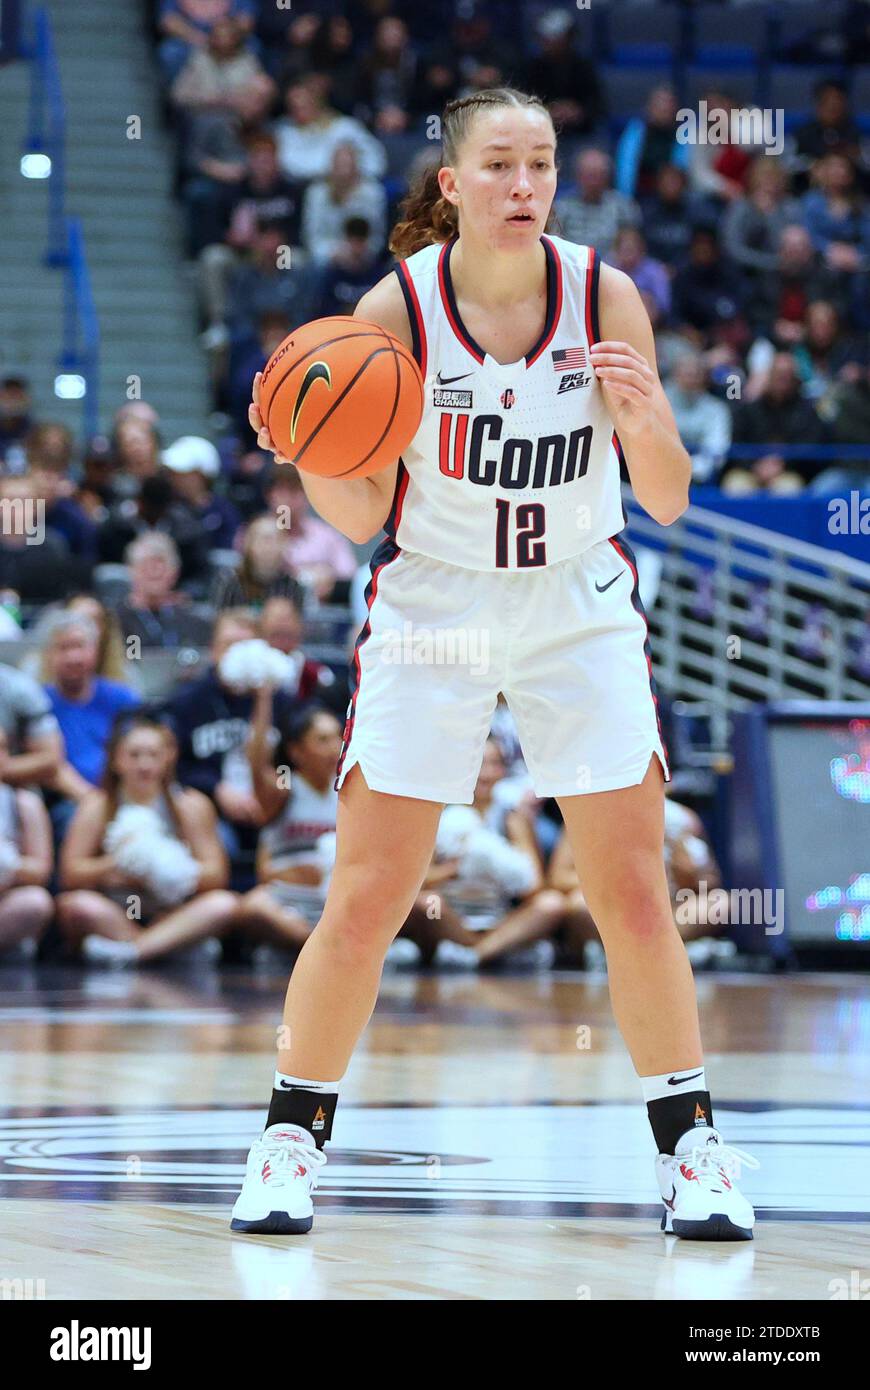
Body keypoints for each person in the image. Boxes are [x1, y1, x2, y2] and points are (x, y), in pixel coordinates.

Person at [232, 86, 757, 1243]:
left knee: (629, 890)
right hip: (437, 602)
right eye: (503, 166)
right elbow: (363, 510)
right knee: (368, 893)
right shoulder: (397, 307)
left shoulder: (603, 294)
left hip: (578, 600)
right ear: (453, 186)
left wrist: (648, 413)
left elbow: (663, 496)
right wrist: (307, 450)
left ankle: (694, 1151)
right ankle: (286, 1142)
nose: (526, 186)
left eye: (543, 165)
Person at [56, 713, 238, 966]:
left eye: (153, 755)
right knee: (76, 905)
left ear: (167, 758)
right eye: (134, 755)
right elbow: (70, 873)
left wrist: (170, 869)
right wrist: (118, 865)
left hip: (171, 910)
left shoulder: (191, 805)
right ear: (117, 760)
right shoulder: (96, 805)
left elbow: (217, 874)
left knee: (224, 904)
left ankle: (133, 951)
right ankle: (166, 946)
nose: (144, 765)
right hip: (121, 909)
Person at [236, 692, 341, 950]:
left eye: (338, 737)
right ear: (296, 751)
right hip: (286, 899)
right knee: (253, 906)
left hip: (335, 899)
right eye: (322, 740)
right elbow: (257, 767)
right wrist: (263, 699)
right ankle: (324, 951)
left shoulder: (347, 792)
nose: (334, 747)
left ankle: (327, 950)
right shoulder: (285, 788)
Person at [0, 726, 54, 958]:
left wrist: (7, 864)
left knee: (35, 902)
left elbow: (40, 871)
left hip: (5, 899)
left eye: (2, 748)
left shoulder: (24, 803)